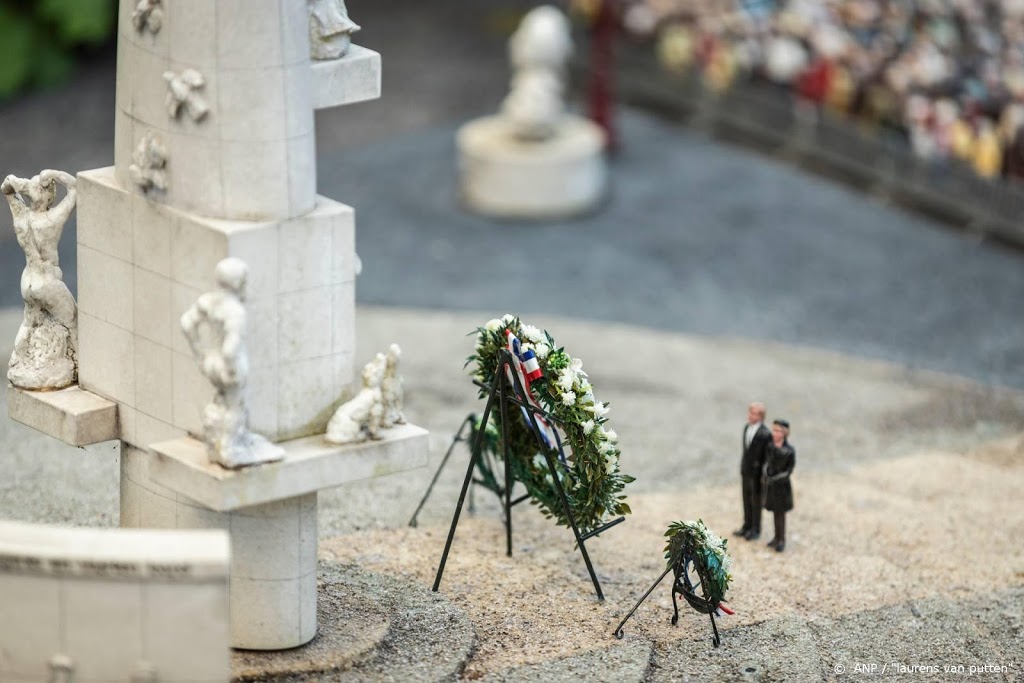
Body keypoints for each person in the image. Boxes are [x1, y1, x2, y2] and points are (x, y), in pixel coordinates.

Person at [734, 401, 771, 541]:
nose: (750, 416)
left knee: (756, 501)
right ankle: (747, 525)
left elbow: (767, 456)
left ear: (761, 416)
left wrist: (764, 473)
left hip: (757, 474)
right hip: (746, 471)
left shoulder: (765, 433)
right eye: (750, 412)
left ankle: (756, 528)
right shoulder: (746, 428)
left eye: (754, 413)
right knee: (746, 499)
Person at [763, 418, 795, 552]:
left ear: (785, 433)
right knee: (775, 513)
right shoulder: (770, 446)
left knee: (781, 514)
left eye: (778, 431)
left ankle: (781, 539)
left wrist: (775, 478)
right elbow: (767, 462)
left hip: (782, 487)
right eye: (774, 430)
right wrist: (766, 473)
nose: (775, 433)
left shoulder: (789, 451)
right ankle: (776, 537)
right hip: (771, 486)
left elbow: (788, 471)